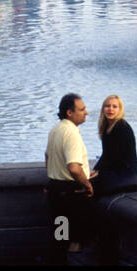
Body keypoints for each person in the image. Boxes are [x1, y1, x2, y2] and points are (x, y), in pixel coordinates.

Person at [45, 93, 96, 259]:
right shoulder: (72, 133)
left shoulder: (55, 129)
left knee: (60, 238)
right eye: (82, 109)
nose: (86, 112)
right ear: (69, 112)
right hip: (71, 196)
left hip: (55, 191)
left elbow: (47, 157)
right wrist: (87, 184)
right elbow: (74, 168)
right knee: (75, 243)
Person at [93, 95, 137, 197]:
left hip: (125, 173)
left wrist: (99, 172)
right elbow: (107, 154)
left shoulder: (121, 127)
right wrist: (95, 169)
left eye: (114, 106)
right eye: (107, 106)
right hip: (116, 170)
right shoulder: (107, 126)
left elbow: (116, 157)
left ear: (120, 110)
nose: (110, 109)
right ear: (103, 109)